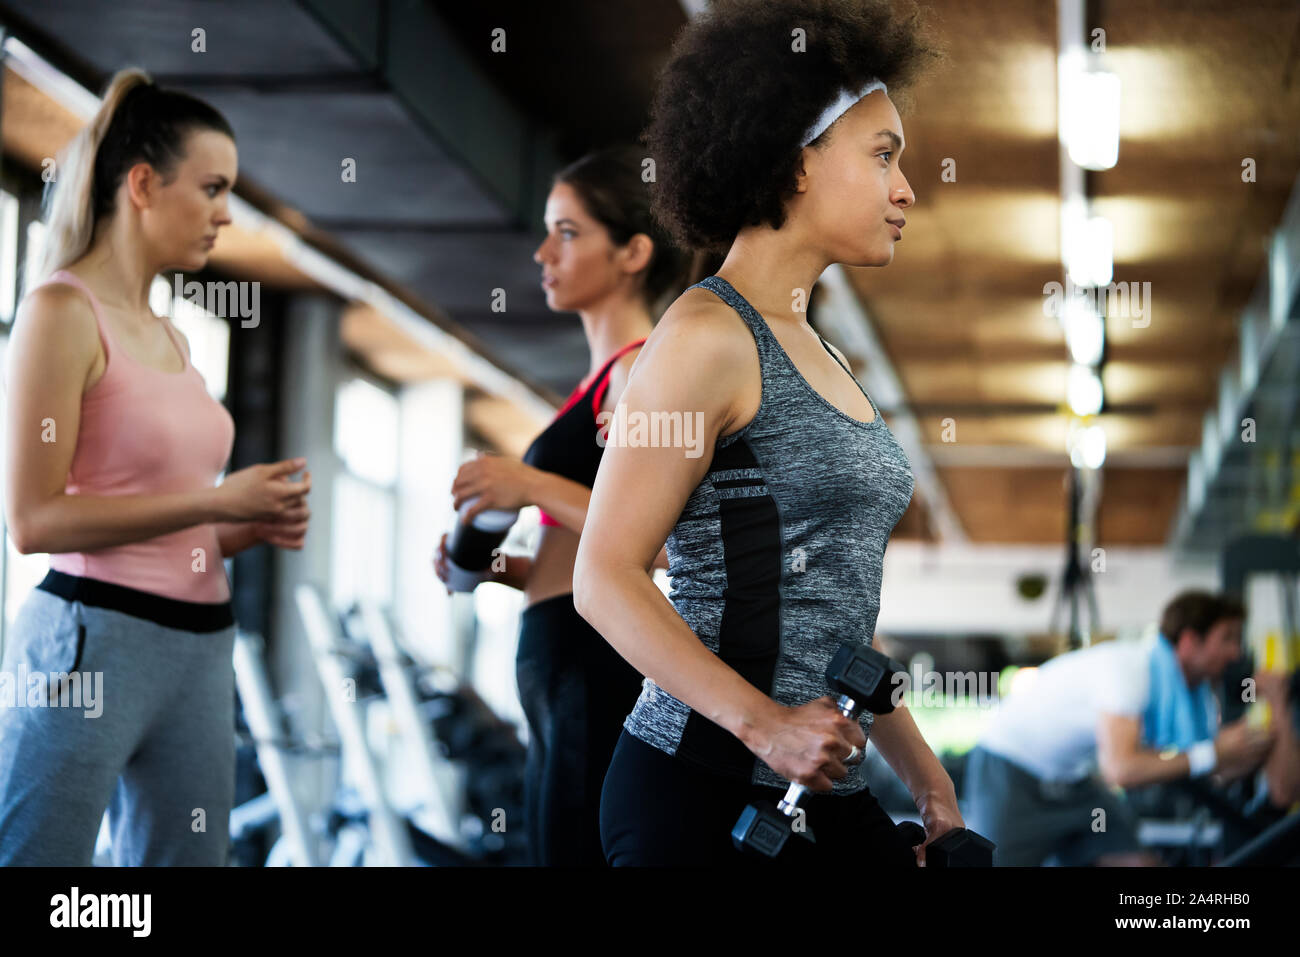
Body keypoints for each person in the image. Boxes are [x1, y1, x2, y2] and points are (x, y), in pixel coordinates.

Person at [571, 0, 956, 866]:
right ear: (795, 163)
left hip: (820, 792)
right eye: (883, 155)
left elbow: (838, 618)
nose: (907, 189)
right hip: (696, 791)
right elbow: (604, 575)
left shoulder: (820, 351)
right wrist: (768, 725)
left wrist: (926, 777)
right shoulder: (706, 337)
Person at [0, 68, 312, 866]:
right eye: (212, 187)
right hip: (88, 640)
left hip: (201, 645)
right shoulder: (60, 312)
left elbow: (174, 530)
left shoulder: (174, 338)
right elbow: (33, 520)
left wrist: (244, 523)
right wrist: (212, 502)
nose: (224, 212)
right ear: (142, 184)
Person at [433, 146, 686, 866]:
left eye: (568, 232)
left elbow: (672, 546)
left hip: (590, 660)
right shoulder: (594, 384)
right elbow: (586, 550)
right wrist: (497, 567)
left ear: (633, 251)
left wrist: (532, 485)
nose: (543, 251)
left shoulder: (639, 371)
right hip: (554, 662)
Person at [963, 591, 1297, 866]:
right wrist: (1213, 753)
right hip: (1009, 769)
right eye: (1227, 639)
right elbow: (1121, 769)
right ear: (1190, 641)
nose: (1236, 652)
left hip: (1073, 780)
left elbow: (1227, 774)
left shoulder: (1193, 700)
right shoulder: (1130, 671)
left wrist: (1277, 708)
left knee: (1140, 863)